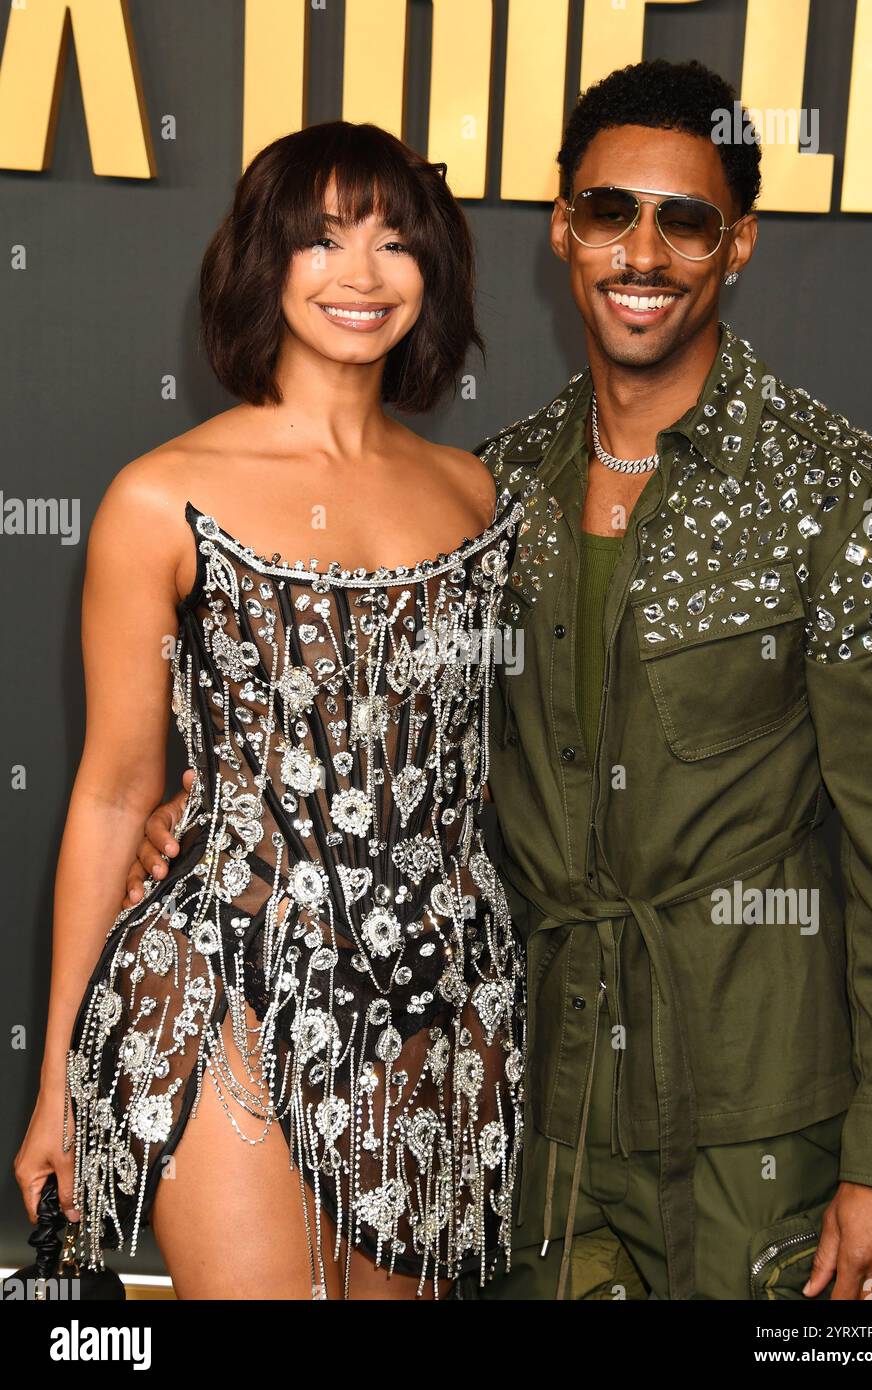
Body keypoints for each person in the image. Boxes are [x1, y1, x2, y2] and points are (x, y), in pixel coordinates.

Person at [123, 59, 872, 1303]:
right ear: (564, 227)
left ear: (741, 247)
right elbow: (410, 758)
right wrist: (224, 820)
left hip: (760, 1137)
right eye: (610, 210)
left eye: (687, 220)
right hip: (527, 1120)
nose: (642, 251)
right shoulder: (497, 495)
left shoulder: (845, 496)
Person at [14, 120, 526, 1301]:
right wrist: (55, 1084)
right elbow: (111, 790)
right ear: (264, 260)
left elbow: (472, 765)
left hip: (440, 1001)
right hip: (224, 977)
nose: (362, 274)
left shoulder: (474, 494)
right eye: (324, 239)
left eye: (396, 242)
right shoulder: (161, 496)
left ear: (431, 273)